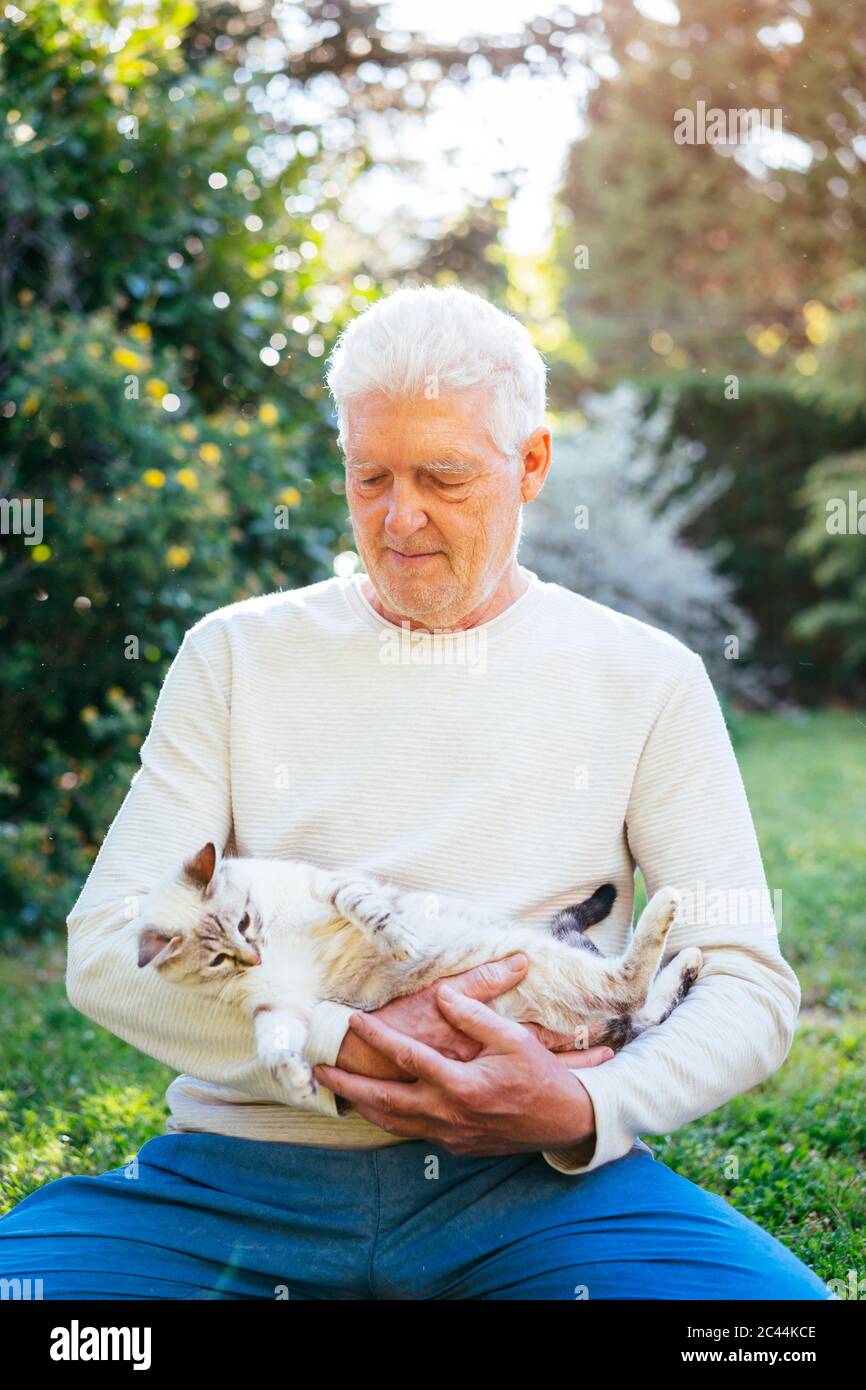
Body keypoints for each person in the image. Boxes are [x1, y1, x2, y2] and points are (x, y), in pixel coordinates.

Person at [0, 285, 834, 1300]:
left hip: (532, 1186)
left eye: (442, 477)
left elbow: (745, 981)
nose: (400, 520)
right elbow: (105, 948)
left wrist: (583, 1105)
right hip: (238, 1180)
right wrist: (346, 1040)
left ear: (529, 465)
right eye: (369, 477)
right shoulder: (233, 655)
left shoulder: (644, 678)